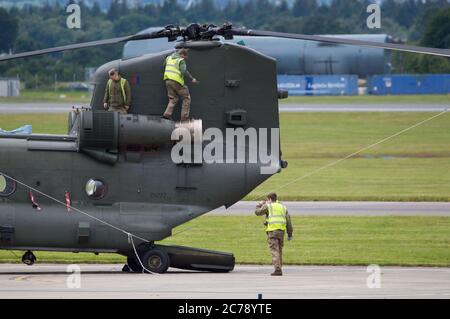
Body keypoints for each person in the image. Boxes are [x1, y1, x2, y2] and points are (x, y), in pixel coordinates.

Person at [255, 192, 293, 276]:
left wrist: (260, 204)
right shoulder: (283, 207)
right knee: (279, 250)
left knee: (274, 250)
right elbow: (288, 222)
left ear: (269, 199)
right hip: (281, 232)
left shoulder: (269, 206)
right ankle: (279, 267)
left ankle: (277, 269)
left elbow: (257, 212)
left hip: (272, 231)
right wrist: (290, 234)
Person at [162, 48, 198, 121]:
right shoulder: (180, 60)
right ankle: (184, 119)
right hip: (176, 81)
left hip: (167, 80)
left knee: (173, 98)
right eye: (185, 56)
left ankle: (167, 114)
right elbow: (184, 71)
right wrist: (192, 78)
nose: (185, 58)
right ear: (182, 54)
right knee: (186, 98)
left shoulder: (169, 58)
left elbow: (164, 66)